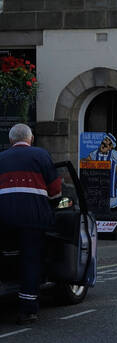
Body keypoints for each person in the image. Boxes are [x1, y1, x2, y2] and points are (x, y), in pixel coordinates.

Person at [0, 123, 62, 321]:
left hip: (4, 217)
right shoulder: (41, 155)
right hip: (33, 219)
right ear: (31, 139)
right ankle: (28, 308)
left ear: (10, 141)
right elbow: (55, 190)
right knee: (31, 260)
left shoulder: (1, 158)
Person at [87, 132, 117, 208]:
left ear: (111, 146)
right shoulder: (95, 153)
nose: (104, 144)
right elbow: (86, 160)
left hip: (111, 184)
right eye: (103, 142)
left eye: (106, 143)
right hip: (98, 184)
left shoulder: (113, 153)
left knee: (112, 205)